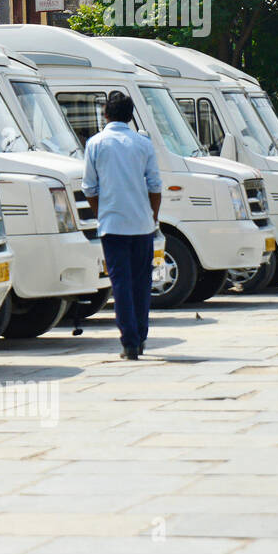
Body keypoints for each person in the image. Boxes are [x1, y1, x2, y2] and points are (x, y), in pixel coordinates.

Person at [82, 92, 162, 360]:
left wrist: (101, 213)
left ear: (105, 114)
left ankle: (128, 342)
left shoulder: (95, 144)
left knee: (120, 284)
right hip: (141, 224)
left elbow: (89, 188)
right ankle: (140, 336)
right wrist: (153, 216)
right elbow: (155, 186)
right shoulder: (143, 144)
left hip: (112, 224)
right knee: (142, 282)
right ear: (130, 116)